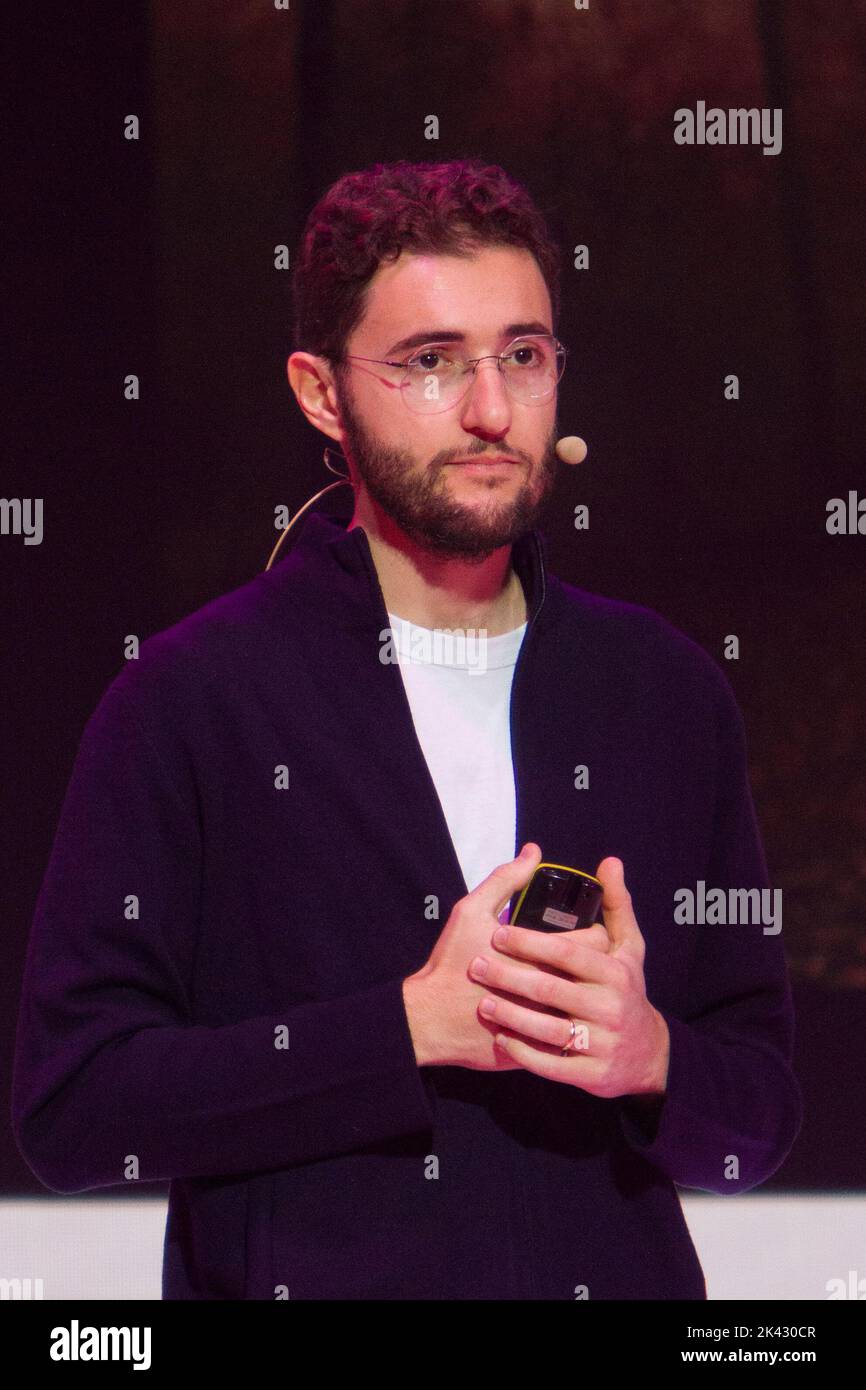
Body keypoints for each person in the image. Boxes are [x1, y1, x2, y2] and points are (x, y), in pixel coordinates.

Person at [12, 158, 802, 1300]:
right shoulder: (193, 697)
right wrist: (404, 1030)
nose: (490, 410)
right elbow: (74, 1108)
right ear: (321, 392)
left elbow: (758, 1118)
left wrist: (652, 1059)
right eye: (430, 363)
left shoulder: (663, 692)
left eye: (521, 356)